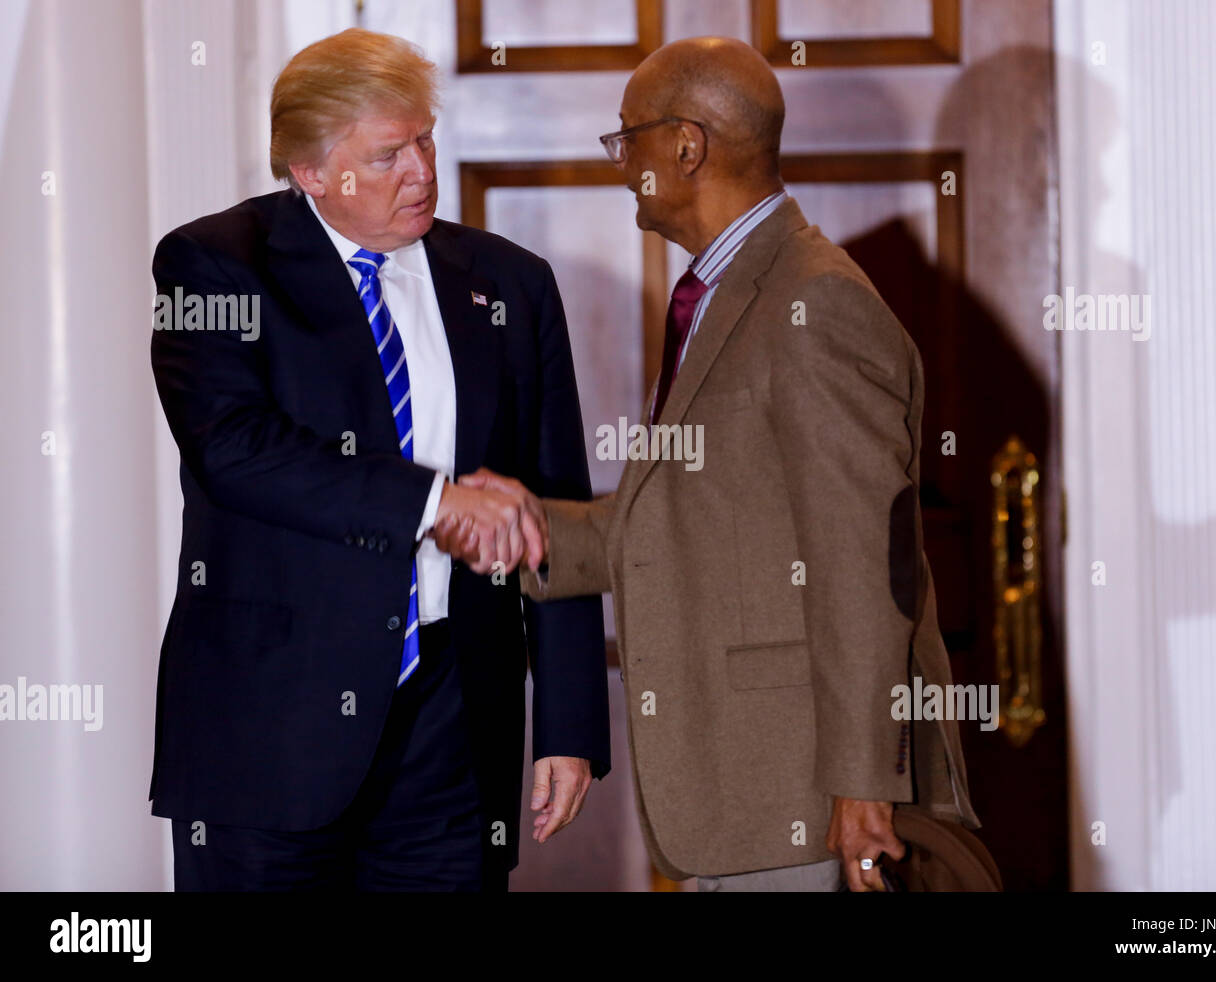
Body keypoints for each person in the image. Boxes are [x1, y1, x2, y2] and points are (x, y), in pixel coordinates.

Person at [437, 36, 979, 892]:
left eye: (629, 139)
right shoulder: (721, 292)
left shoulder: (812, 299)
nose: (621, 164)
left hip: (801, 801)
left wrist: (862, 784)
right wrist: (527, 529)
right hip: (745, 802)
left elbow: (861, 559)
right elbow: (687, 514)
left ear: (687, 146)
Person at [149, 28, 608, 891]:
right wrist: (435, 503)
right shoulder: (214, 266)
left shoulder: (510, 283)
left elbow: (552, 502)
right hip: (267, 737)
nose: (423, 171)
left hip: (451, 734)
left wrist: (569, 723)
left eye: (426, 140)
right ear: (311, 172)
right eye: (388, 153)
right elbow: (234, 451)